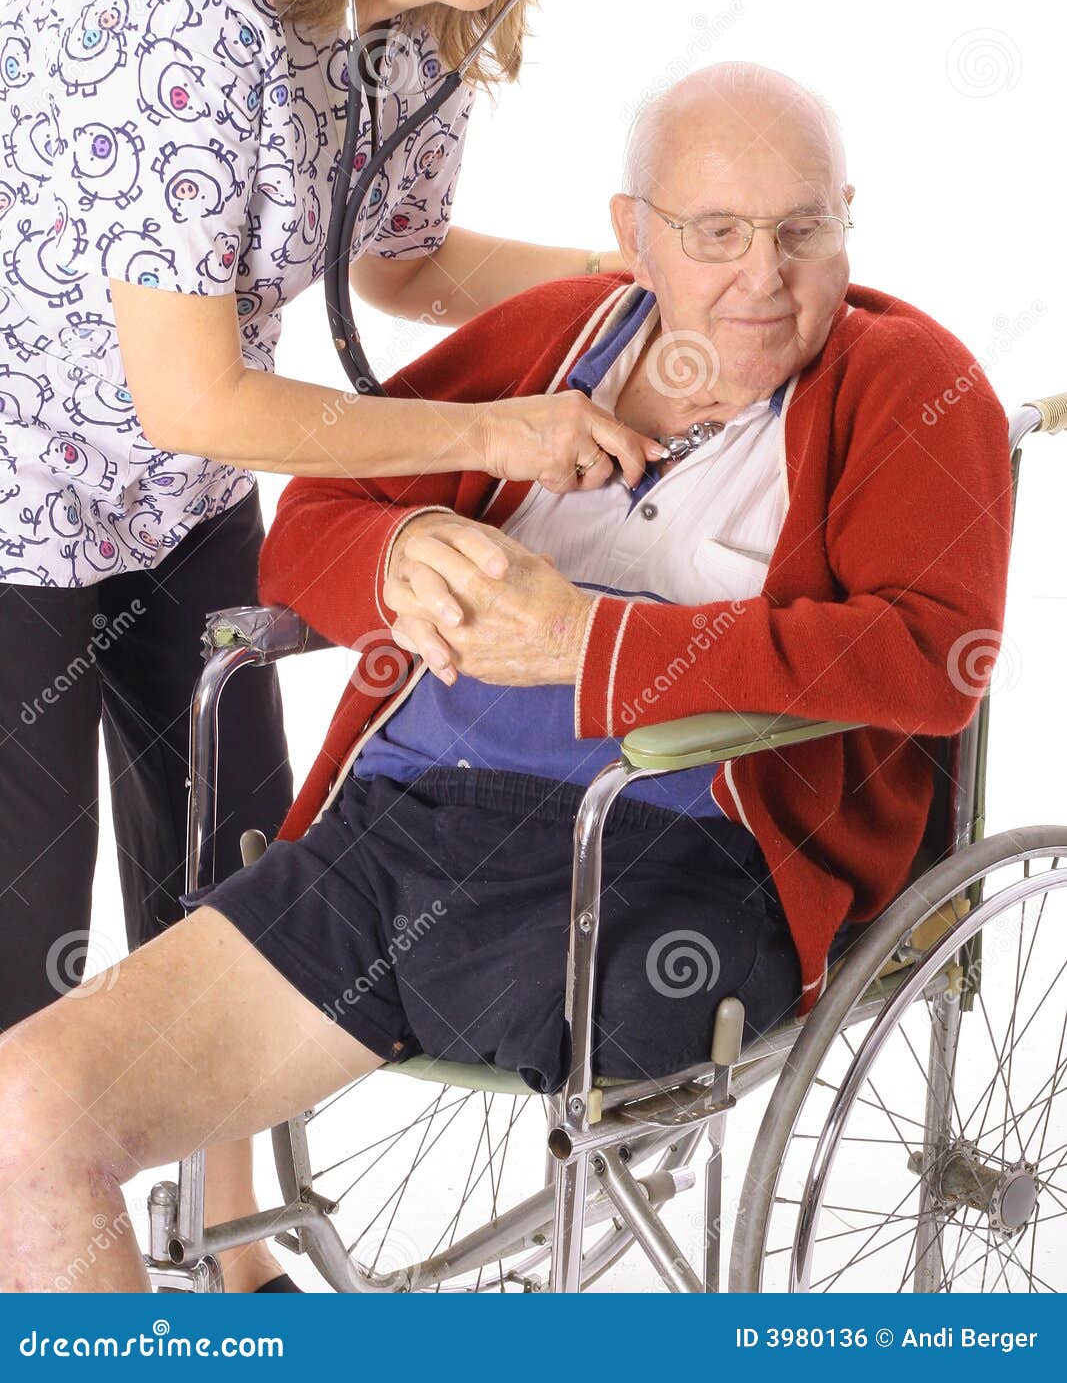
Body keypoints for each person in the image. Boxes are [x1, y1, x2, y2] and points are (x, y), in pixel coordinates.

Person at [0, 62, 1013, 1292]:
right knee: (28, 1113)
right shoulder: (556, 339)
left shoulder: (909, 383)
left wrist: (595, 641)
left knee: (510, 989)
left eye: (802, 230)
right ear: (630, 236)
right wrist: (397, 545)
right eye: (716, 234)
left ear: (846, 217)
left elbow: (927, 660)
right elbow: (323, 503)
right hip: (394, 833)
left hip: (669, 854)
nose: (763, 274)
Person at [0, 0, 663, 1290]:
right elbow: (195, 384)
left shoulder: (417, 26)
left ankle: (226, 1255)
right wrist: (505, 434)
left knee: (233, 867)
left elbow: (408, 262)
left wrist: (647, 261)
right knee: (34, 942)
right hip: (17, 495)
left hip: (179, 494)